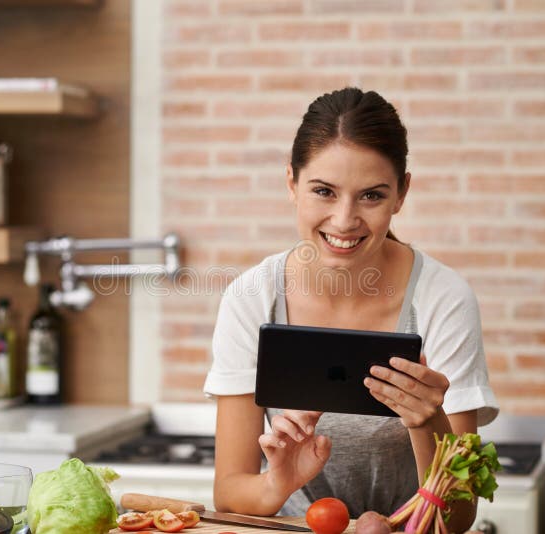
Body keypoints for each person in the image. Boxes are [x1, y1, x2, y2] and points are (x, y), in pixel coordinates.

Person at [202, 87, 499, 533]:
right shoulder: (252, 297)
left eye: (372, 196)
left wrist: (427, 421)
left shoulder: (443, 299)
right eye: (324, 191)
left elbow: (458, 519)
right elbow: (228, 493)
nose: (344, 220)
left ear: (401, 194)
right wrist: (277, 483)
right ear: (291, 183)